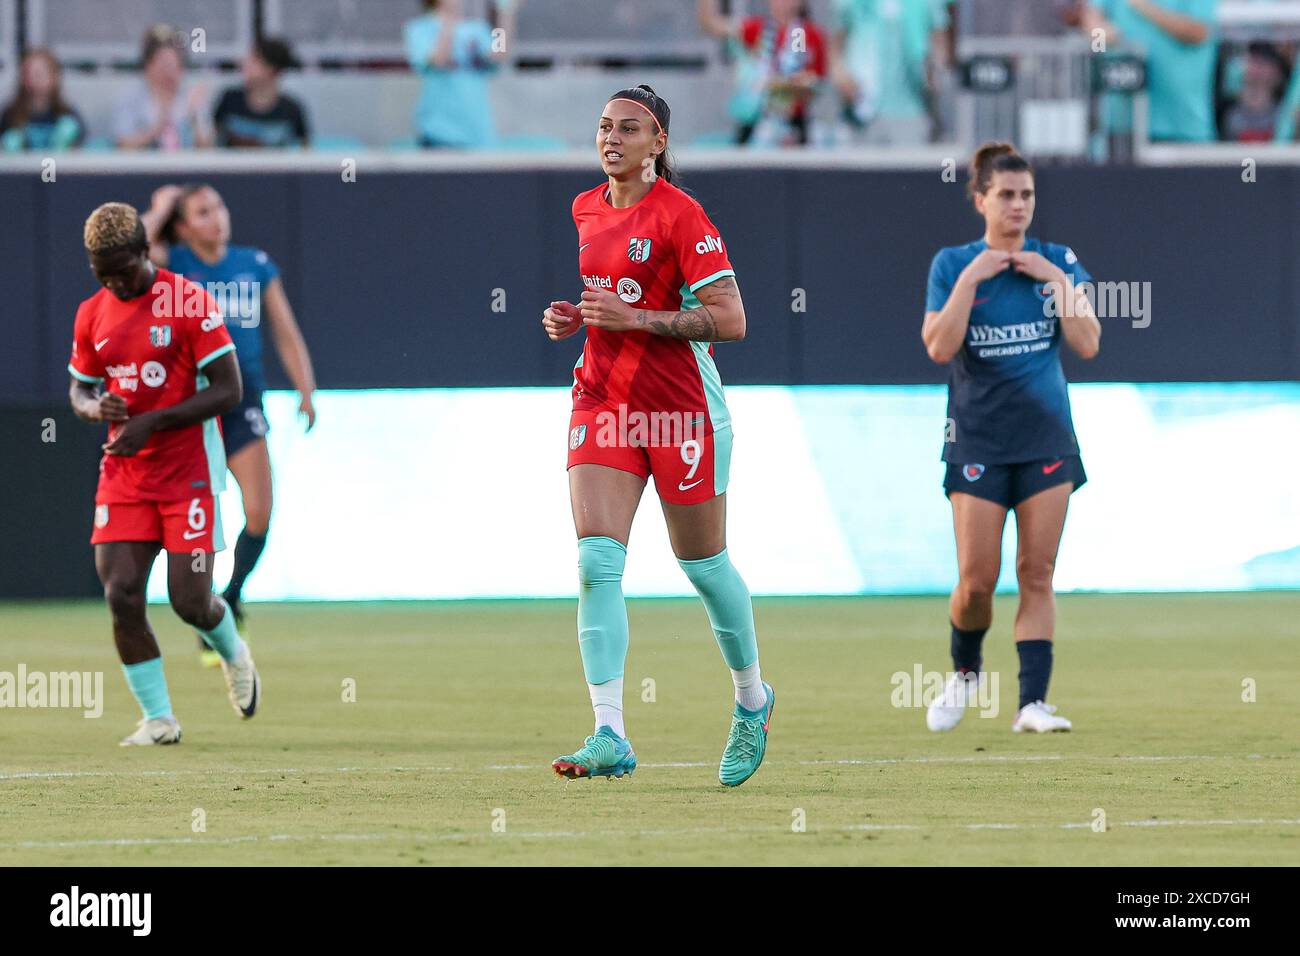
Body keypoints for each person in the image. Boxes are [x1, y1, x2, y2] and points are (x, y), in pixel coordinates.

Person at [541, 85, 774, 787]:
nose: (612, 138)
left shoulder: (682, 215)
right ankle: (610, 729)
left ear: (658, 143)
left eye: (629, 128)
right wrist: (575, 319)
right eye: (605, 126)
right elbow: (613, 301)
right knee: (596, 563)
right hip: (603, 403)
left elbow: (732, 320)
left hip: (681, 412)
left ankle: (752, 701)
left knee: (703, 568)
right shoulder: (585, 208)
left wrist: (633, 320)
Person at [920, 142, 1101, 735]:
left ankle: (1032, 705)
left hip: (1047, 440)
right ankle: (965, 672)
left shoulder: (1058, 259)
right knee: (977, 579)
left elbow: (1088, 341)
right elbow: (939, 346)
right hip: (977, 442)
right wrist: (975, 275)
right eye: (1006, 195)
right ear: (981, 201)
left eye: (1026, 195)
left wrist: (1052, 276)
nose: (1018, 205)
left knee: (1037, 571)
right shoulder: (952, 263)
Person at [68, 202, 260, 745]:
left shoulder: (189, 302)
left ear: (146, 252)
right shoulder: (91, 313)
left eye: (123, 271)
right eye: (101, 274)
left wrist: (151, 422)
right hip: (125, 474)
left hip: (188, 475)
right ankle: (159, 719)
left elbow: (229, 390)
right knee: (121, 593)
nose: (114, 283)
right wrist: (90, 408)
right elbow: (79, 387)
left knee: (188, 602)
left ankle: (233, 651)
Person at [142, 184, 317, 657]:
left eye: (218, 207)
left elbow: (284, 331)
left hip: (243, 401)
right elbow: (128, 252)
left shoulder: (254, 264)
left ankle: (231, 594)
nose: (216, 217)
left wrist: (306, 388)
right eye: (202, 212)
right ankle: (200, 608)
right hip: (191, 405)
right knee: (196, 516)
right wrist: (159, 209)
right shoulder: (172, 263)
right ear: (183, 226)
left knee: (260, 510)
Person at [1078, 0, 1218, 142]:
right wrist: (1101, 37)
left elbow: (1198, 32)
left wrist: (1143, 6)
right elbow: (1093, 26)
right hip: (1119, 125)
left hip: (1181, 128)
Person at [697, 0, 827, 147]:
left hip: (795, 127)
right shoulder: (758, 29)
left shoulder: (810, 34)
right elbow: (711, 24)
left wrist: (787, 86)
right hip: (754, 125)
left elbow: (815, 84)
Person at [829, 0, 950, 146]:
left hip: (912, 113)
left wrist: (935, 71)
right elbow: (835, 46)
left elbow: (940, 44)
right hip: (860, 112)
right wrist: (842, 77)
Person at [403, 0, 514, 148]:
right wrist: (450, 18)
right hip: (439, 135)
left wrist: (505, 14)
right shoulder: (419, 29)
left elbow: (499, 54)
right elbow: (438, 60)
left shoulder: (476, 29)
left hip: (478, 135)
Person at [113, 25, 214, 150]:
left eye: (174, 65)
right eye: (163, 65)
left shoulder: (192, 98)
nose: (169, 73)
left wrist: (194, 117)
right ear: (148, 67)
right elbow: (123, 145)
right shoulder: (130, 98)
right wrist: (156, 129)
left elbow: (207, 147)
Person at [213, 37, 310, 148]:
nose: (245, 65)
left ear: (272, 69)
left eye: (254, 61)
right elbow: (212, 143)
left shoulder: (291, 110)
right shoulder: (229, 100)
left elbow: (305, 150)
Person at [0, 48, 84, 152]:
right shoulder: (10, 114)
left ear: (54, 77)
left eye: (39, 74)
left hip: (57, 167)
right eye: (27, 74)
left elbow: (81, 154)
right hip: (22, 168)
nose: (32, 80)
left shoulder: (68, 115)